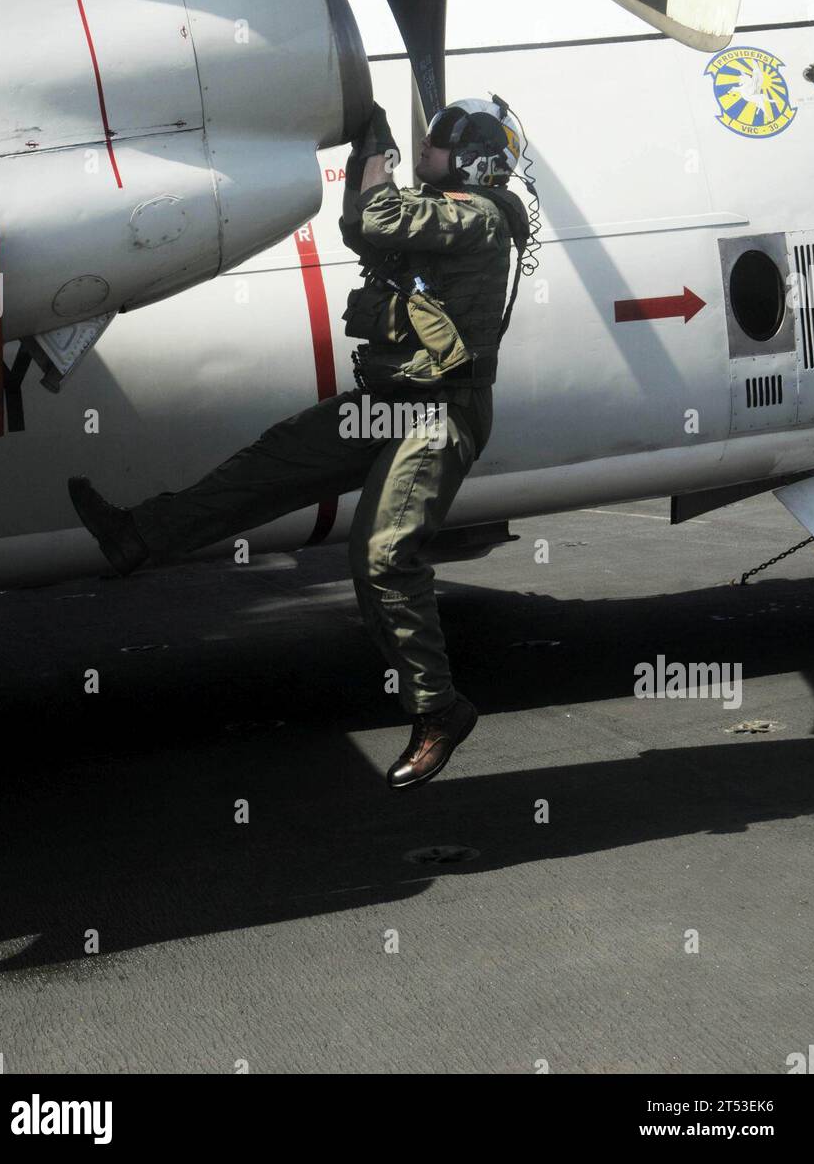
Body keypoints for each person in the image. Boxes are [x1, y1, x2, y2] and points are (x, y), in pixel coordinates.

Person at [68, 97, 532, 790]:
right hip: (388, 404)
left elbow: (378, 218)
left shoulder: (479, 216)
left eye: (438, 138)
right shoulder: (440, 213)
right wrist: (365, 157)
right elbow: (362, 228)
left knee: (382, 555)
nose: (425, 145)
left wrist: (374, 149)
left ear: (472, 155)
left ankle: (439, 710)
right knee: (274, 461)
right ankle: (140, 536)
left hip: (439, 417)